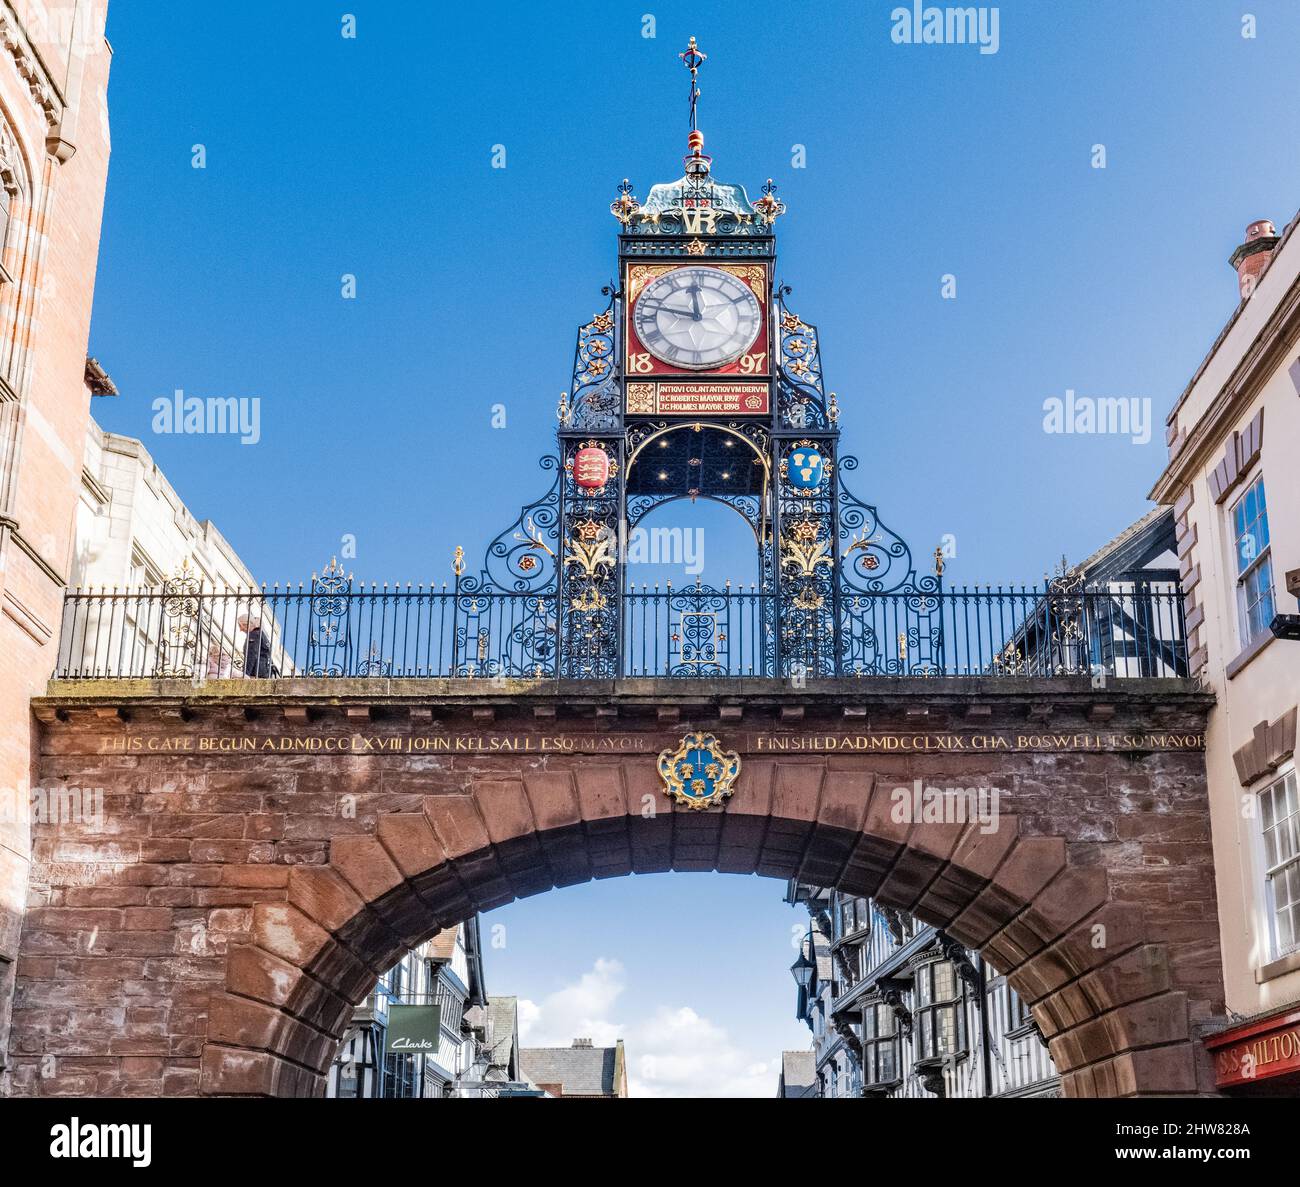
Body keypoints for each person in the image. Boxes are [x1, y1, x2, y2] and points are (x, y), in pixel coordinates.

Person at [237, 610, 278, 678]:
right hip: (265, 672)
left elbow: (251, 656)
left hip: (257, 673)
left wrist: (244, 675)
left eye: (240, 626)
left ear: (246, 624)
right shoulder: (261, 634)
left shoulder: (253, 634)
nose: (240, 629)